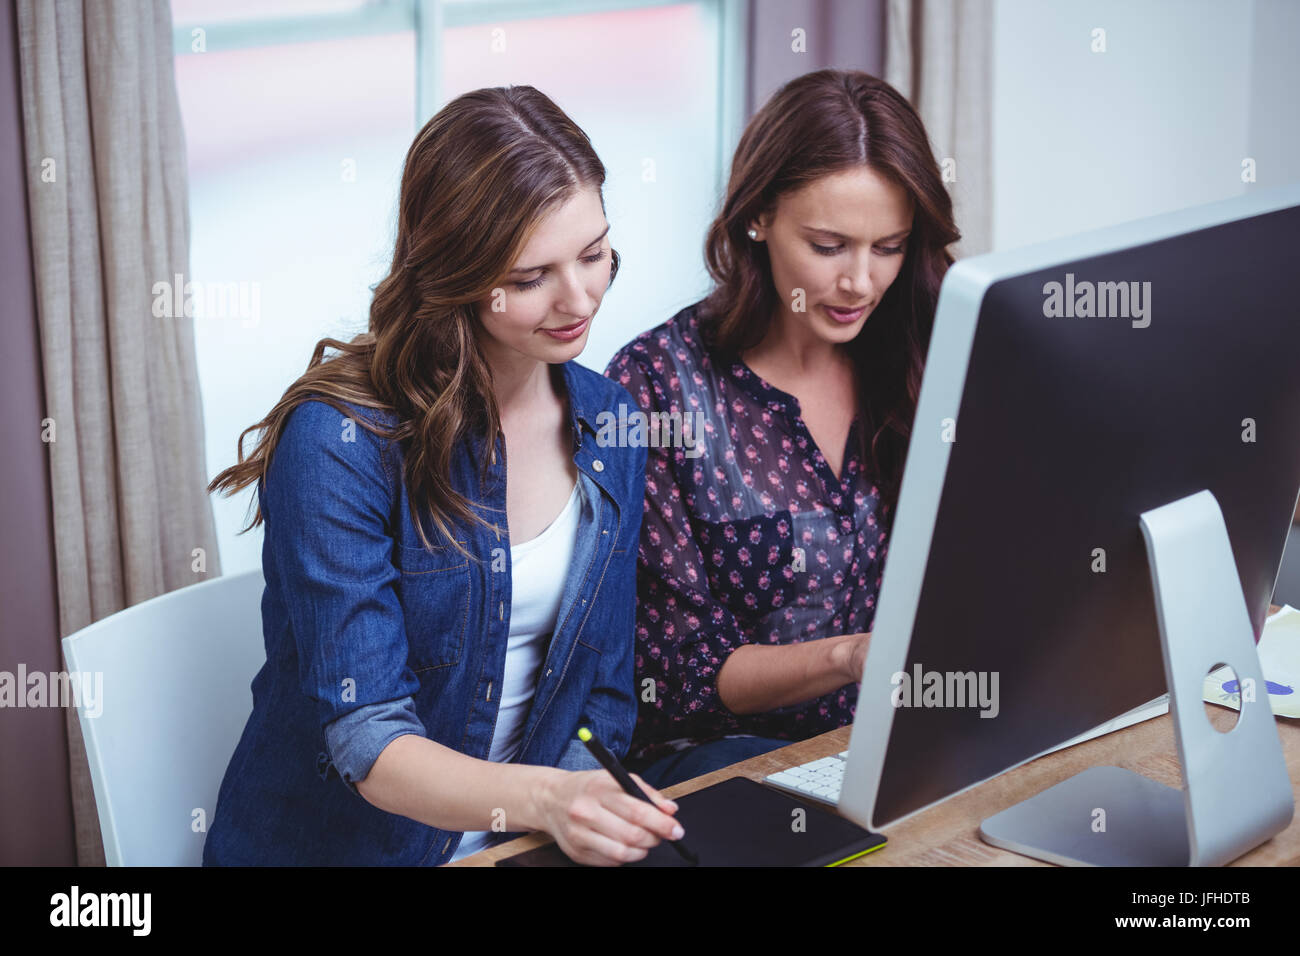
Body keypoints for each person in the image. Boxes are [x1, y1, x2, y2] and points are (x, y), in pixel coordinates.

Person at [202, 85, 681, 866]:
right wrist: (553, 802)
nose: (580, 297)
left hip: (522, 845)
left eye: (594, 254)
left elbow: (604, 698)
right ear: (458, 272)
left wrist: (584, 812)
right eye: (530, 277)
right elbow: (367, 736)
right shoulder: (339, 441)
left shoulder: (611, 424)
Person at [605, 69, 961, 787]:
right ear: (757, 217)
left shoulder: (930, 350)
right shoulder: (656, 388)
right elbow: (672, 673)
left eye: (888, 246)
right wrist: (854, 656)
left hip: (899, 743)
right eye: (829, 246)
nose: (860, 281)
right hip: (720, 765)